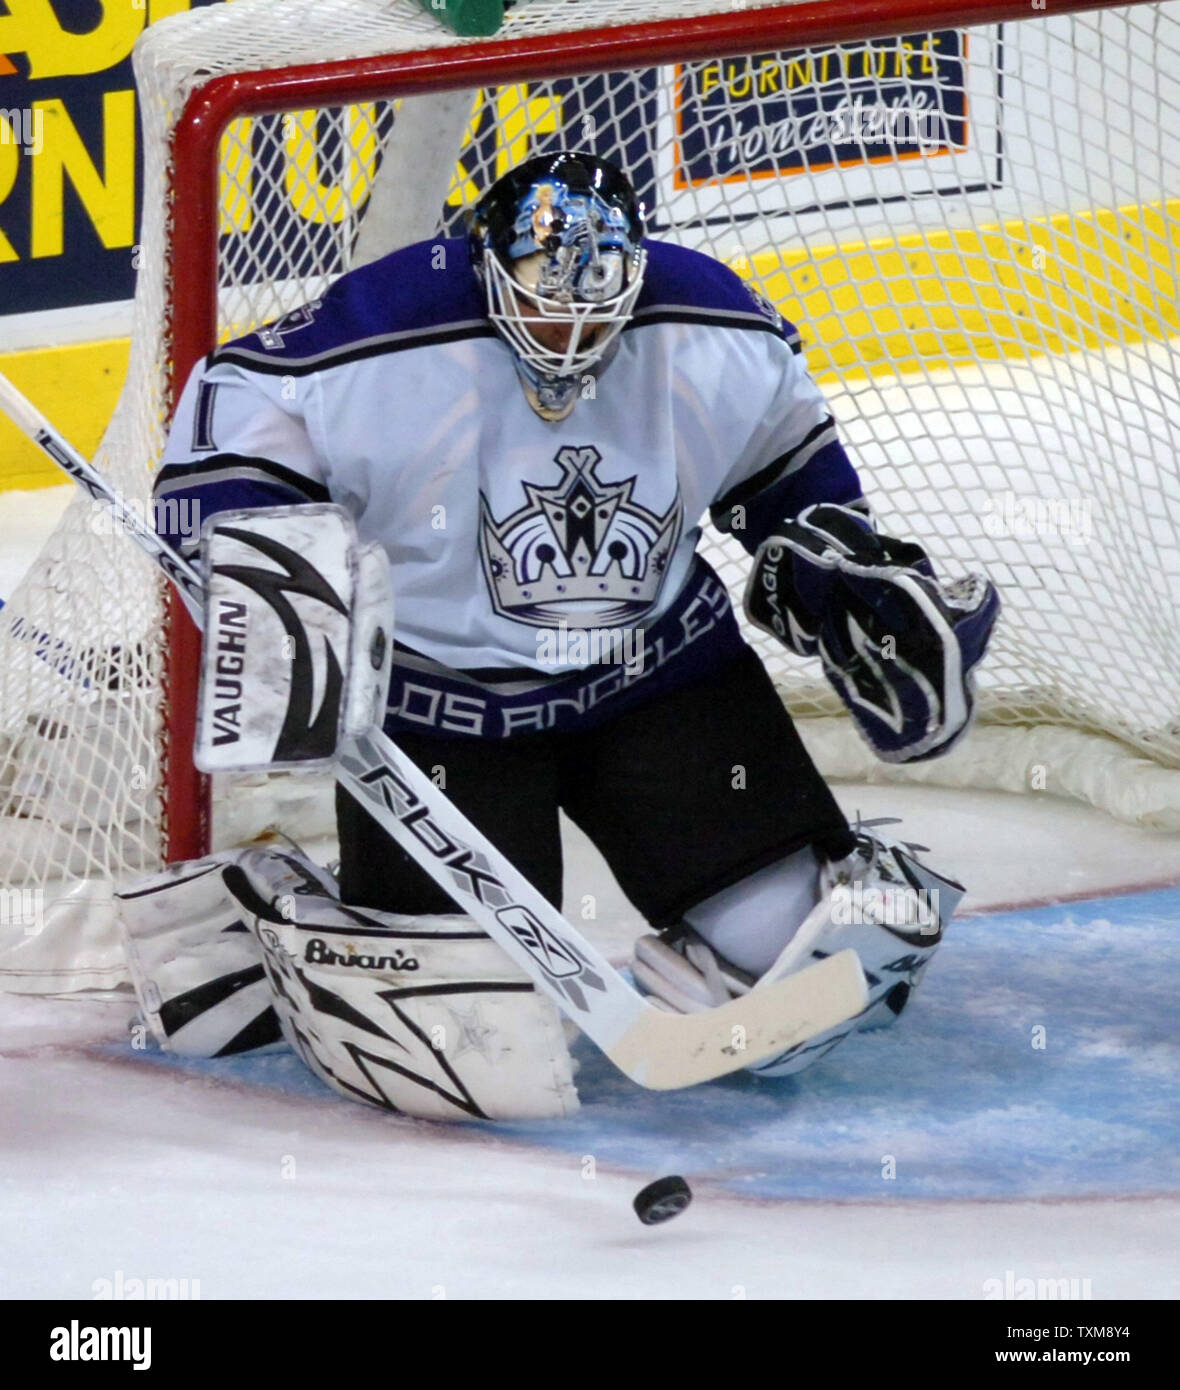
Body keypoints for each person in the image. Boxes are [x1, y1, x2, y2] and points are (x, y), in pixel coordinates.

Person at [134, 151, 997, 1119]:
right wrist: (276, 564)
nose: (573, 329)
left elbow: (788, 481)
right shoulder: (378, 333)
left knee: (827, 959)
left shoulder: (707, 317)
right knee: (460, 1052)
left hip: (655, 679)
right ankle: (262, 917)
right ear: (484, 265)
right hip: (439, 710)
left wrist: (836, 577)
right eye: (543, 302)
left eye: (601, 302)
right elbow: (228, 422)